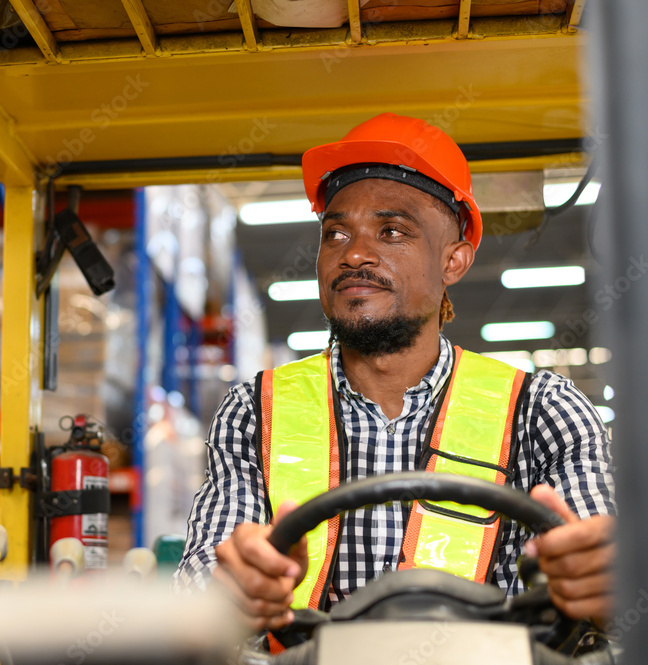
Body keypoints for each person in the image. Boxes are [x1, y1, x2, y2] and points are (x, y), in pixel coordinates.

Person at [174, 113, 615, 635]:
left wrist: (603, 579)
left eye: (391, 230)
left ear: (454, 261)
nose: (354, 254)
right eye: (335, 232)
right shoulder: (254, 410)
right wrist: (233, 591)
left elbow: (608, 581)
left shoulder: (543, 411)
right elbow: (201, 592)